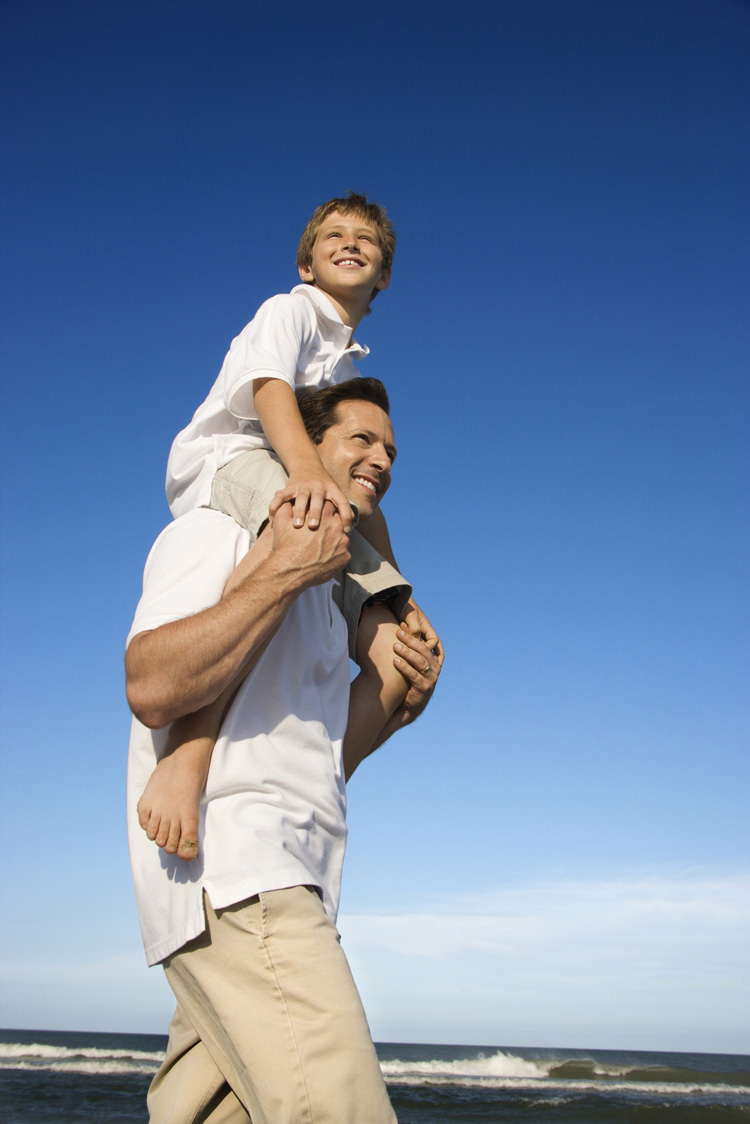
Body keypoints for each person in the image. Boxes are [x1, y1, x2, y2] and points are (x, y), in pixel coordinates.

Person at [126, 379, 442, 1122]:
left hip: (295, 876)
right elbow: (151, 682)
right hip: (240, 872)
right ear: (302, 445)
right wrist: (283, 573)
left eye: (391, 449)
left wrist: (399, 694)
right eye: (359, 439)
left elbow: (331, 759)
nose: (381, 459)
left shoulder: (333, 610)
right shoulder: (215, 532)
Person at [138, 192, 437, 861]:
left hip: (302, 480)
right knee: (304, 528)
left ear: (385, 275)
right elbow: (269, 388)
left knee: (407, 663)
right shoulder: (292, 310)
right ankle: (189, 753)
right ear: (306, 264)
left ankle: (320, 781)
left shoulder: (350, 368)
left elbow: (364, 503)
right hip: (235, 459)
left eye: (367, 239)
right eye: (334, 235)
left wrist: (404, 598)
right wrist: (304, 474)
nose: (351, 242)